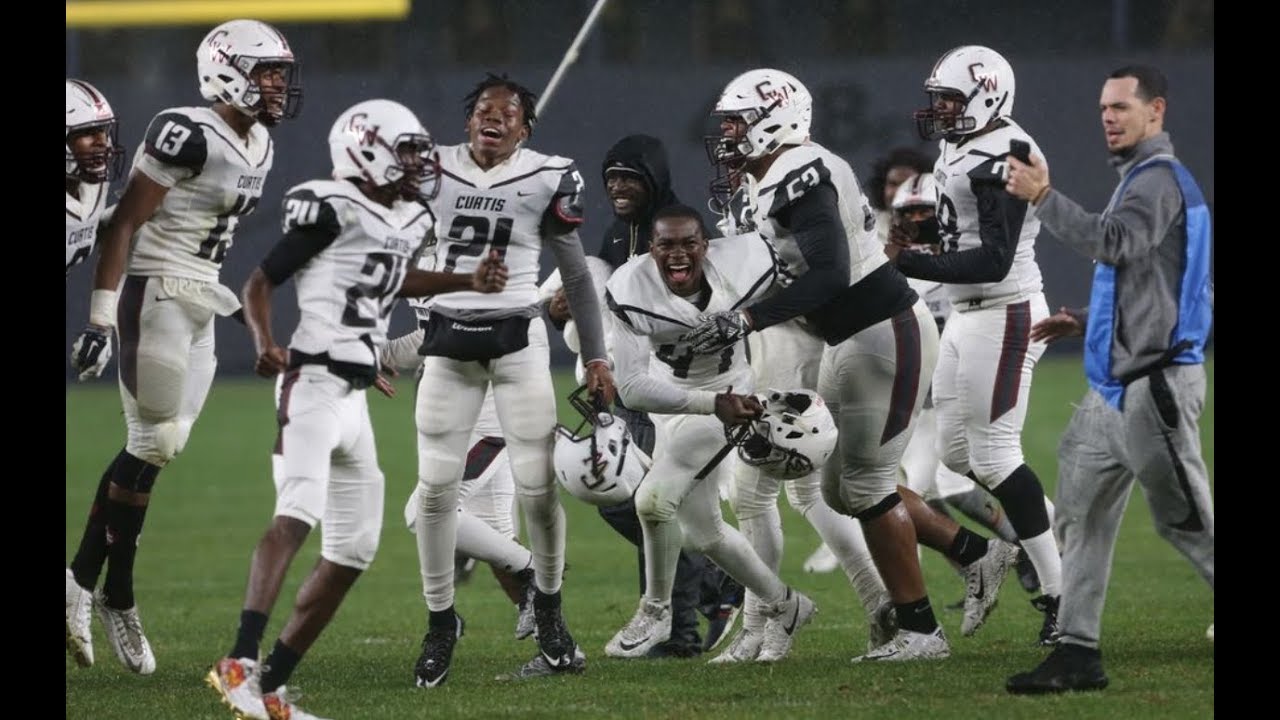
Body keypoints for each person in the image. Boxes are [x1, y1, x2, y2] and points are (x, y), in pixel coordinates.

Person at [692, 68, 1017, 663]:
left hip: (883, 331)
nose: (730, 133)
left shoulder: (803, 175)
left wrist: (748, 320)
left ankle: (920, 631)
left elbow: (828, 274)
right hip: (850, 337)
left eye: (739, 120)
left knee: (862, 487)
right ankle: (976, 554)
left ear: (777, 118)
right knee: (842, 490)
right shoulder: (774, 177)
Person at [206, 99, 507, 720]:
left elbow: (392, 278)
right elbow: (260, 282)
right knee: (294, 515)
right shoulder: (330, 206)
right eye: (407, 153)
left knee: (354, 552)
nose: (419, 165)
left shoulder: (405, 217)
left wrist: (465, 280)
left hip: (354, 397)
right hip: (311, 383)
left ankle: (268, 686)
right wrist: (264, 342)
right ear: (364, 149)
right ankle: (237, 660)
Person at [65, 19, 300, 676]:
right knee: (150, 442)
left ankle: (102, 587)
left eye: (282, 71)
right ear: (228, 69)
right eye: (267, 70)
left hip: (203, 298)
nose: (279, 83)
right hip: (157, 287)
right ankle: (97, 586)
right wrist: (101, 320)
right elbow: (127, 223)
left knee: (163, 446)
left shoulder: (261, 146)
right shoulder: (186, 129)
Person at [1004, 64, 1214, 694]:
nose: (1108, 117)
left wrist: (1043, 197)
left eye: (1122, 106)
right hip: (1117, 386)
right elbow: (1166, 286)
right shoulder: (1146, 183)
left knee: (1187, 522)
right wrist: (1089, 321)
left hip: (1155, 386)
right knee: (1079, 510)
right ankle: (1077, 652)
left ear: (1157, 113)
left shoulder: (1157, 182)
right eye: (1103, 107)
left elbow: (1116, 244)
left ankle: (1076, 648)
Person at [411, 73, 615, 686]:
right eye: (481, 109)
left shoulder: (547, 176)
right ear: (467, 119)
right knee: (434, 493)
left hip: (518, 341)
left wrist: (598, 356)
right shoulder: (428, 170)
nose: (491, 118)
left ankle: (548, 609)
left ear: (525, 128)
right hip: (448, 344)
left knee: (537, 489)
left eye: (506, 113)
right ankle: (441, 621)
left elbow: (576, 276)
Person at [886, 45, 1062, 644]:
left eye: (951, 101)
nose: (940, 111)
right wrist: (924, 233)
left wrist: (907, 259)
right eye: (938, 100)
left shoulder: (1003, 153)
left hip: (1003, 309)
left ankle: (1062, 596)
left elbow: (993, 258)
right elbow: (969, 228)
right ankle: (1046, 537)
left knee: (994, 455)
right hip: (968, 315)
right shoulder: (963, 145)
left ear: (987, 94)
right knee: (957, 454)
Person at [549, 133, 741, 657]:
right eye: (611, 177)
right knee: (627, 502)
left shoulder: (679, 227)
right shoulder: (618, 235)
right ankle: (715, 586)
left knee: (649, 504)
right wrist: (559, 312)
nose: (618, 187)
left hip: (678, 386)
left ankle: (679, 632)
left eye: (629, 177)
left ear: (653, 178)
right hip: (631, 383)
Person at [603, 204, 818, 662]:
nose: (678, 255)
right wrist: (707, 403)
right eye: (666, 245)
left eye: (688, 244)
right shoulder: (629, 286)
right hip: (677, 402)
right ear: (650, 249)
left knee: (653, 501)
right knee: (705, 532)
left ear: (706, 246)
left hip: (730, 399)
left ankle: (656, 610)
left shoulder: (745, 261)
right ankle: (787, 604)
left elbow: (813, 275)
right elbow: (633, 389)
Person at [890, 172, 1046, 601]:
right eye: (910, 212)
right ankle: (992, 562)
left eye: (926, 212)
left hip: (949, 391)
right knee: (923, 490)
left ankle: (1017, 548)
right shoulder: (902, 269)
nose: (919, 220)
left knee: (938, 485)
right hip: (918, 402)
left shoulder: (959, 264)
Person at [65, 77, 126, 669]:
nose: (98, 146)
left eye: (100, 133)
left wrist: (99, 322)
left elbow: (107, 234)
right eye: (82, 134)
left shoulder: (91, 185)